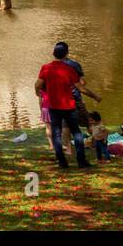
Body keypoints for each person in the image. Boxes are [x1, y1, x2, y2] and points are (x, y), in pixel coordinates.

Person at [35, 41, 91, 169]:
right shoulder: (70, 69)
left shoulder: (46, 68)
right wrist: (94, 96)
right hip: (69, 106)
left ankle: (62, 161)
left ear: (53, 53)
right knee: (76, 132)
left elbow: (37, 85)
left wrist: (38, 93)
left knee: (56, 133)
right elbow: (81, 87)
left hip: (54, 107)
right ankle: (81, 161)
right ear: (66, 53)